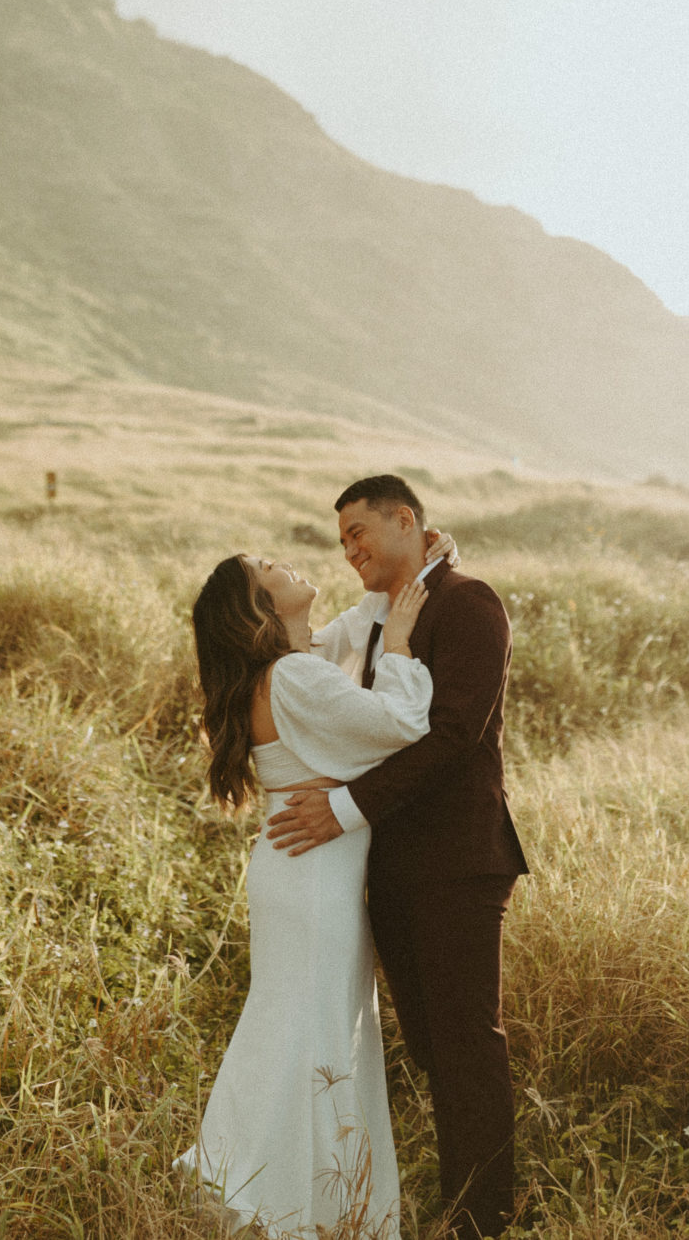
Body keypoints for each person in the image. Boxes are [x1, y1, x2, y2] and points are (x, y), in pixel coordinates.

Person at [266, 475, 529, 1240]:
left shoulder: (470, 603)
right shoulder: (381, 615)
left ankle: (485, 1219)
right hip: (391, 864)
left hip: (457, 860)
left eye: (358, 532)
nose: (348, 549)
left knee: (465, 1042)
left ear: (405, 519)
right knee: (428, 1041)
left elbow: (452, 736)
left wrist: (344, 809)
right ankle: (461, 1195)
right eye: (341, 538)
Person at [175, 546, 440, 1238]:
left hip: (295, 871)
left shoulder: (293, 667)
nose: (287, 562)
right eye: (270, 567)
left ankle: (268, 1186)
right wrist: (405, 645)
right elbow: (400, 724)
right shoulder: (292, 676)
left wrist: (408, 576)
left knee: (293, 1021)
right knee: (316, 1028)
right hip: (314, 876)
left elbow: (351, 631)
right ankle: (288, 1201)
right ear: (260, 606)